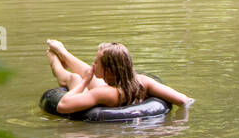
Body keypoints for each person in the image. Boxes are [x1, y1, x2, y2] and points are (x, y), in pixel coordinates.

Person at [46, 39, 193, 113]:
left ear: (108, 71)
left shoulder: (103, 93)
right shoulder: (143, 82)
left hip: (100, 99)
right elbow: (184, 100)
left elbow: (62, 106)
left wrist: (84, 82)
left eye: (96, 62)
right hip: (117, 93)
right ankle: (63, 53)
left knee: (75, 78)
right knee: (86, 74)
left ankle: (53, 59)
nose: (93, 64)